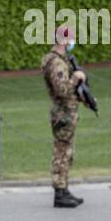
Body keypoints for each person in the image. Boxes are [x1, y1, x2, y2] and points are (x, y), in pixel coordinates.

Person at [41, 24, 86, 207]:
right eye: (71, 38)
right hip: (63, 114)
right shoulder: (57, 62)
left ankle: (64, 189)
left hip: (66, 113)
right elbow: (62, 89)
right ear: (64, 40)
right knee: (61, 152)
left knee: (67, 152)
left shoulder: (59, 59)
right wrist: (76, 79)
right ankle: (60, 193)